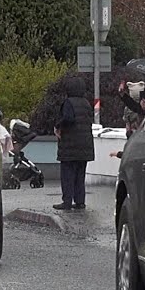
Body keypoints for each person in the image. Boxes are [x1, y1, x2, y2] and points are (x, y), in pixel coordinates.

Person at [54, 76, 94, 211]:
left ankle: (67, 202)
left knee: (67, 175)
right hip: (85, 145)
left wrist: (58, 126)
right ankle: (80, 201)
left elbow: (68, 118)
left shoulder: (68, 103)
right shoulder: (86, 103)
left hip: (70, 145)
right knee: (80, 175)